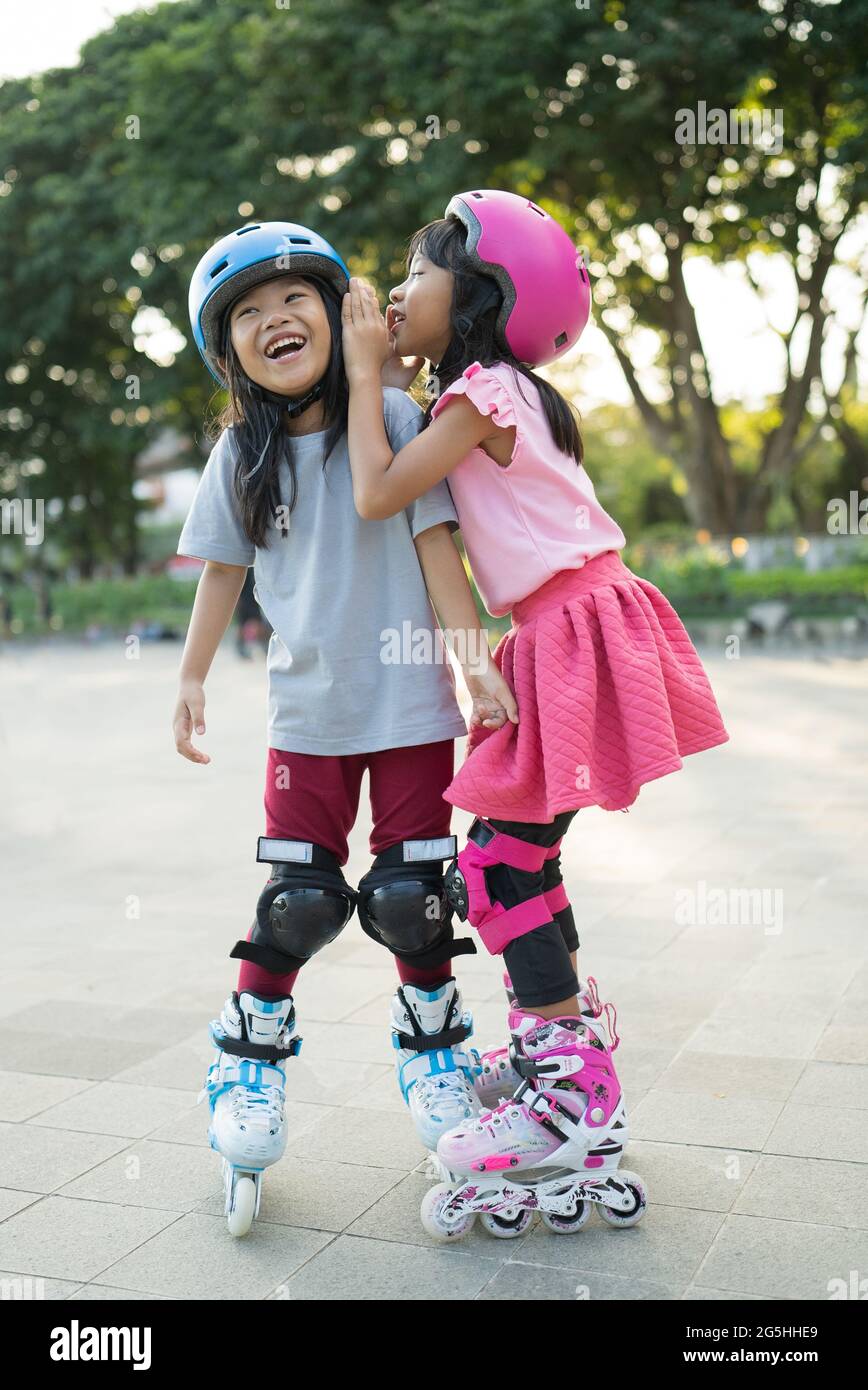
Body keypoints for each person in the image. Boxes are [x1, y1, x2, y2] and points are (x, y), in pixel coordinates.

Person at [340, 189, 730, 1237]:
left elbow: (380, 493)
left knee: (502, 860)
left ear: (477, 291)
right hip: (566, 623)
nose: (402, 289)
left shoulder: (482, 394)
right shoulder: (495, 391)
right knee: (518, 854)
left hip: (570, 626)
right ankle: (562, 1051)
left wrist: (366, 368)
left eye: (418, 272)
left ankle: (566, 1091)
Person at [174, 220, 517, 1234]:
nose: (273, 320)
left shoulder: (403, 416)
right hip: (308, 717)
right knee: (299, 903)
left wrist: (473, 663)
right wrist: (191, 676)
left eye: (292, 300)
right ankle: (246, 1068)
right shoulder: (242, 453)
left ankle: (437, 1061)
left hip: (411, 710)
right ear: (227, 350)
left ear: (340, 313)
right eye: (246, 314)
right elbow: (222, 574)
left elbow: (436, 550)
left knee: (415, 897)